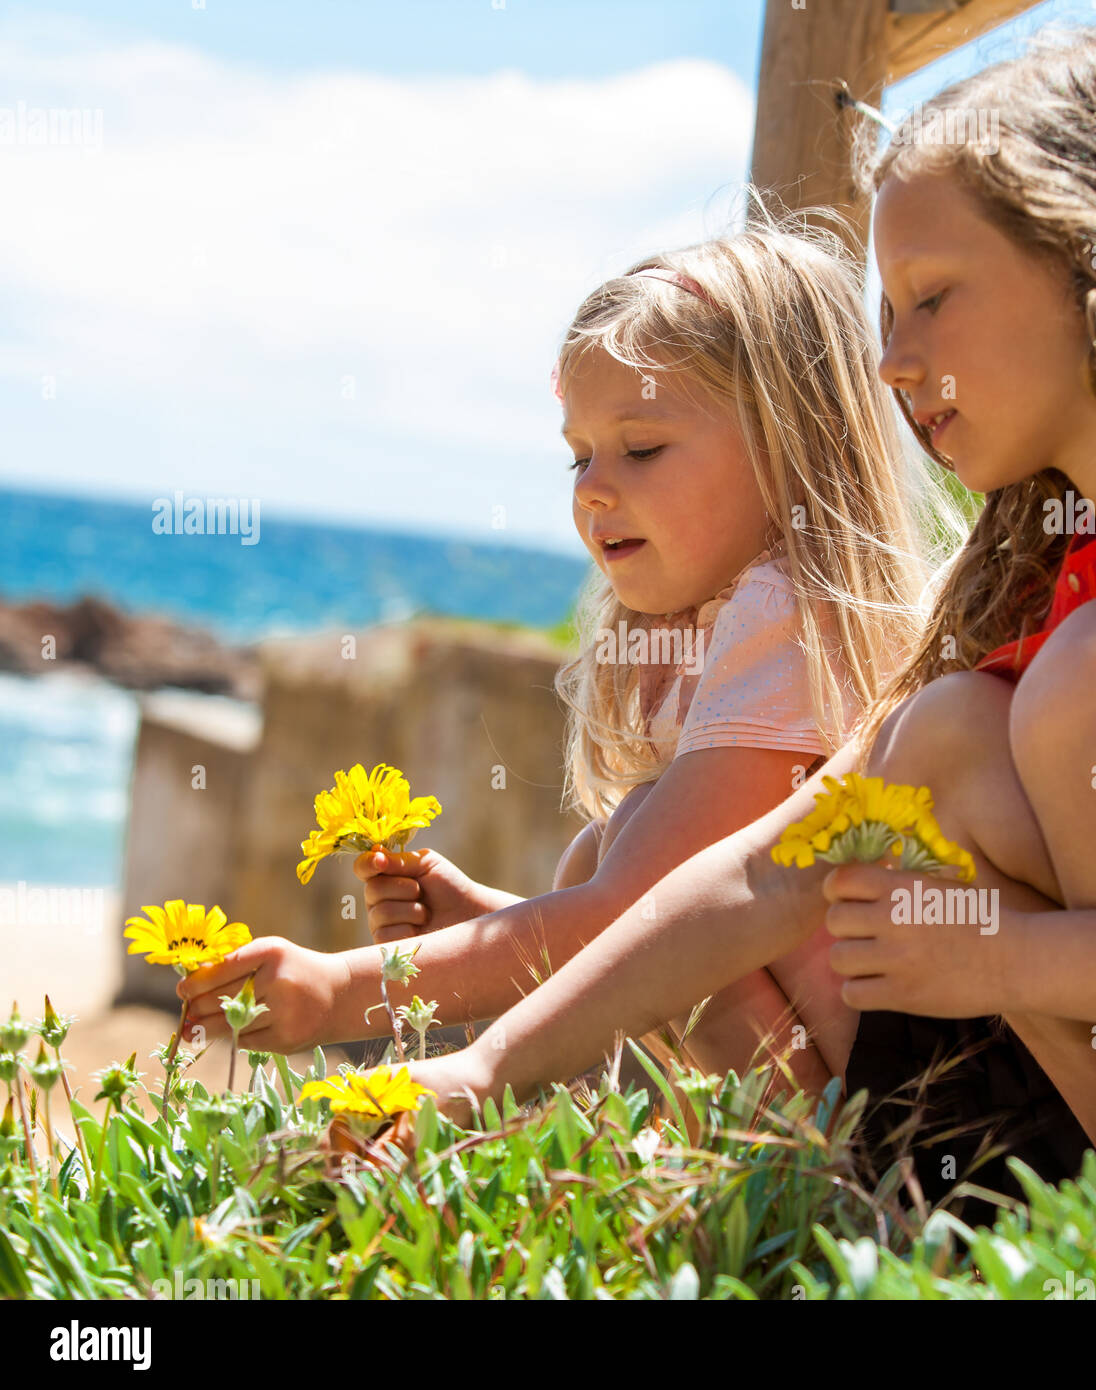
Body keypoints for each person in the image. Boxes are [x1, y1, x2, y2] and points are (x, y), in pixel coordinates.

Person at [281, 17, 1096, 1205]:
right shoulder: (1053, 569)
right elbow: (761, 872)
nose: (892, 362)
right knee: (942, 738)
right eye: (884, 311)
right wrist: (479, 1070)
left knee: (1087, 680)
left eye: (930, 298)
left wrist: (1005, 955)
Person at [177, 208, 941, 1099]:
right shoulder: (717, 621)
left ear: (790, 444)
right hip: (824, 1053)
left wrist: (343, 993)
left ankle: (798, 1177)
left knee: (623, 862)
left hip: (875, 1101)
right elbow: (638, 923)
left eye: (642, 448)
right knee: (602, 852)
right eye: (578, 457)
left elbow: (648, 922)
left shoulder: (791, 618)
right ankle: (705, 1159)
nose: (594, 491)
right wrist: (490, 924)